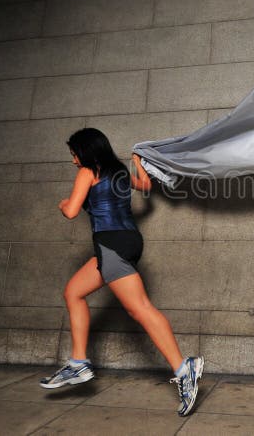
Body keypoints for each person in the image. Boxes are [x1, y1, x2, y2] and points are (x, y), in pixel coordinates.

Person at [39, 127, 204, 417]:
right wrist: (138, 164)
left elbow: (72, 211)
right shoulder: (119, 172)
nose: (73, 160)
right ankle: (78, 362)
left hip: (110, 244)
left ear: (86, 151)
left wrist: (62, 203)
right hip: (127, 242)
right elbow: (147, 187)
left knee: (139, 309)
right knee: (74, 292)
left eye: (74, 153)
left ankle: (183, 367)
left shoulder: (88, 172)